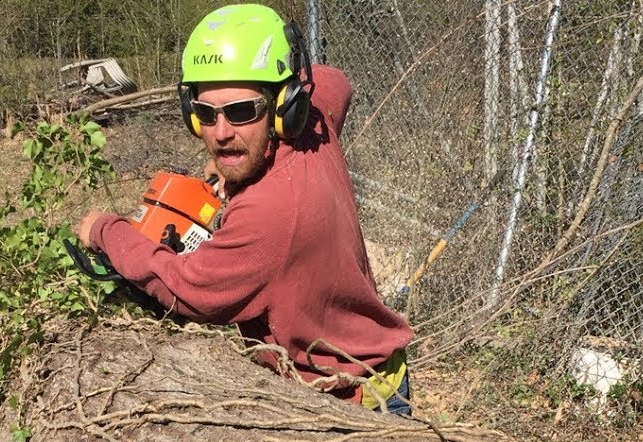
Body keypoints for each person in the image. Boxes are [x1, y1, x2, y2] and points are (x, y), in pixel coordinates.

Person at [78, 3, 414, 415]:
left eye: (241, 112)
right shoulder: (314, 121)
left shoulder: (269, 213)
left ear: (282, 105)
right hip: (381, 370)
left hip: (354, 398)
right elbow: (333, 81)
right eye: (206, 113)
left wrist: (105, 230)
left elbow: (187, 290)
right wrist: (240, 168)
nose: (221, 134)